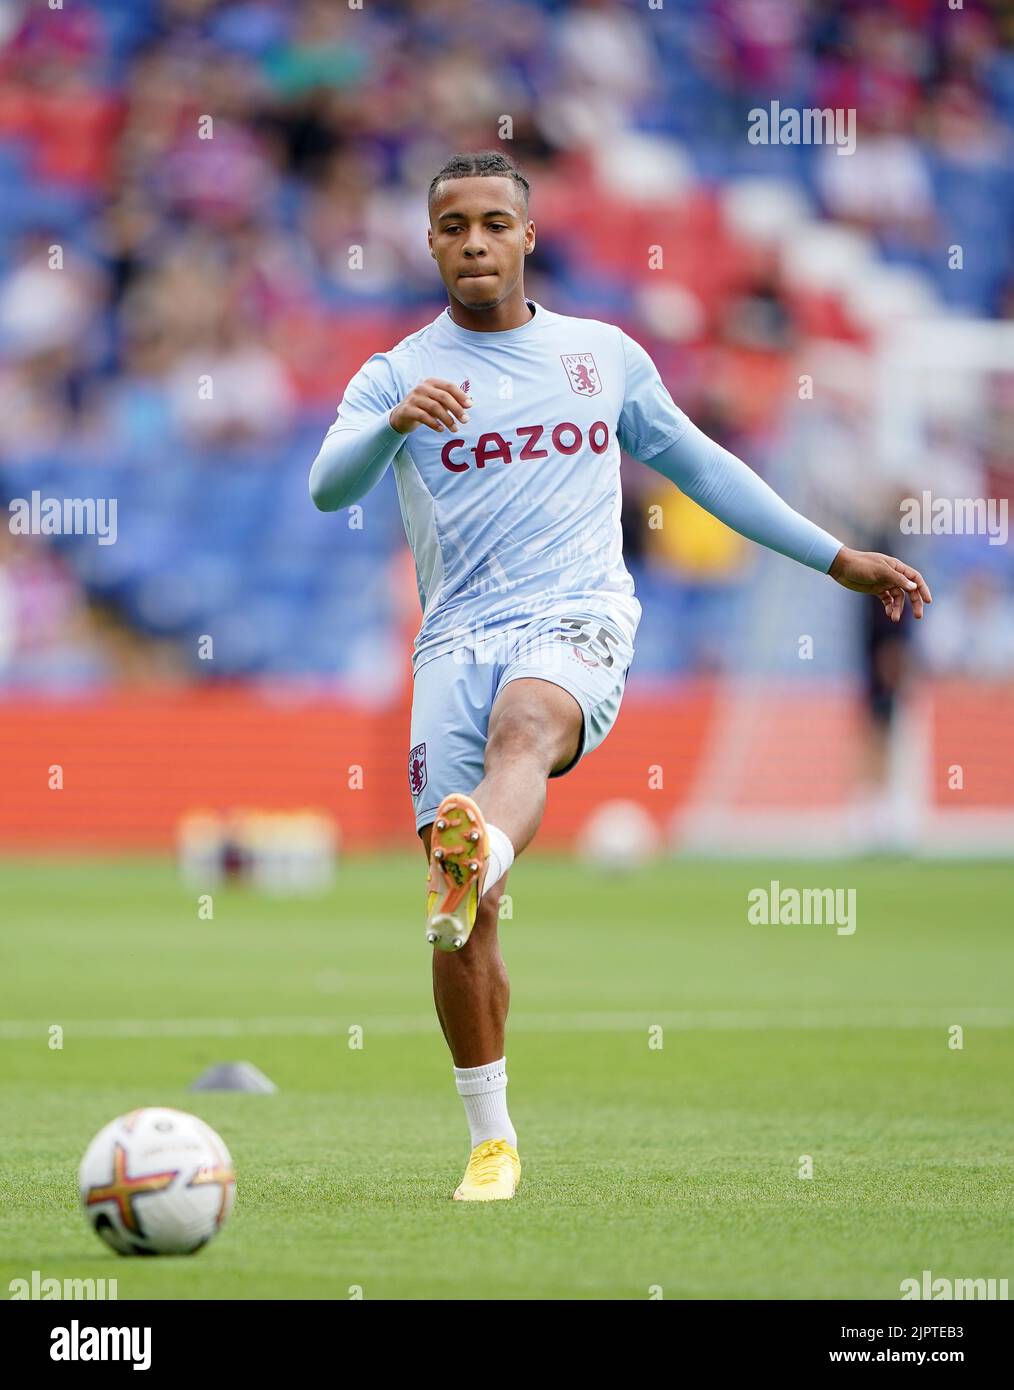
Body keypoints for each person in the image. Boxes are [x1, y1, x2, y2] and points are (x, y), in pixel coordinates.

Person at [309, 150, 932, 1202]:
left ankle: (481, 844)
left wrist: (837, 555)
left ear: (528, 235)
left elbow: (705, 468)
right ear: (429, 242)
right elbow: (330, 486)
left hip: (575, 618)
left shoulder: (599, 356)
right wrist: (393, 423)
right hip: (452, 641)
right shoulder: (392, 373)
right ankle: (491, 1138)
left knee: (526, 727)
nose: (474, 241)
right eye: (454, 224)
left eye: (494, 222)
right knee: (467, 920)